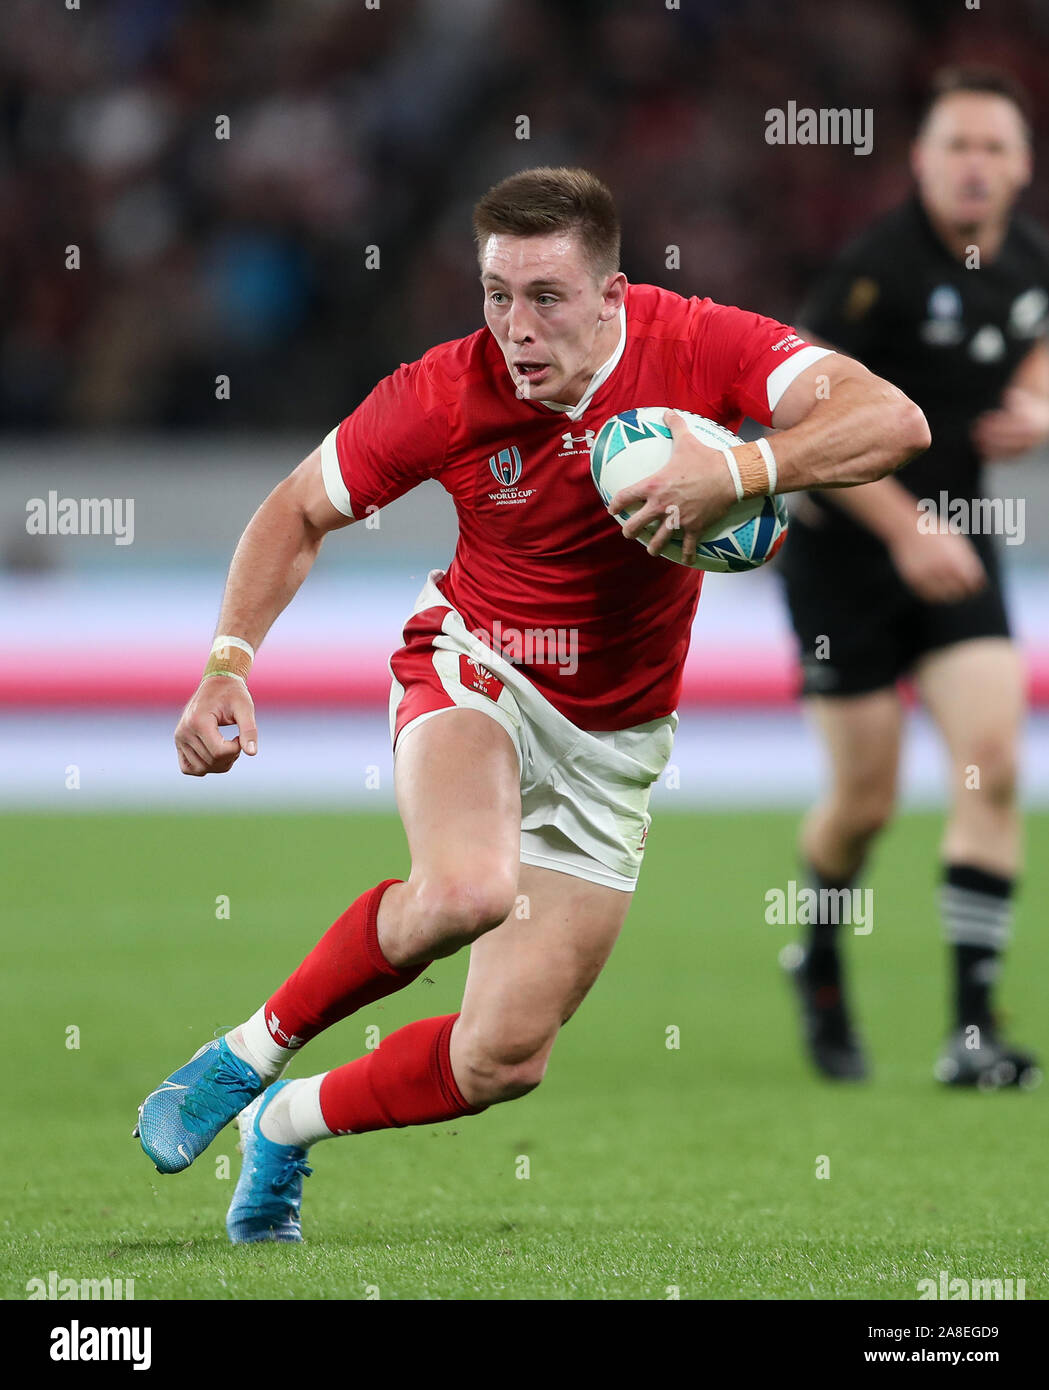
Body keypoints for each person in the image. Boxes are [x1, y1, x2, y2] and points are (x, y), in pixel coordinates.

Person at [135, 166, 929, 1243]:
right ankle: (247, 1053)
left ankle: (283, 1122)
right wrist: (228, 659)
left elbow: (893, 421)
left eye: (545, 296)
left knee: (501, 1057)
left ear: (612, 295)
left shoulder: (697, 344)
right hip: (478, 667)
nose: (515, 325)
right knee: (464, 889)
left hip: (616, 738)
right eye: (495, 294)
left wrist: (740, 464)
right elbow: (296, 510)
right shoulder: (441, 391)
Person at [777, 68, 1049, 1087]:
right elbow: (799, 418)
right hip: (844, 552)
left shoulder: (1025, 259)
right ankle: (816, 953)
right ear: (920, 163)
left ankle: (970, 1032)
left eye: (992, 147)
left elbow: (1034, 344)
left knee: (993, 761)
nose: (973, 163)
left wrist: (1035, 407)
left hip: (955, 542)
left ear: (1019, 166)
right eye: (955, 146)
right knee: (865, 800)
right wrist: (899, 527)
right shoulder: (872, 272)